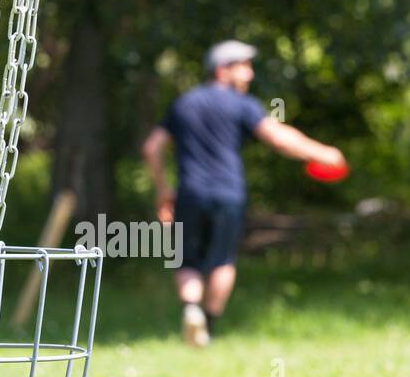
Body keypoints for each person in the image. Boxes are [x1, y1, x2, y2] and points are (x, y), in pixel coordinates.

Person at [141, 40, 347, 347]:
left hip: (190, 193)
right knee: (223, 261)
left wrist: (162, 191)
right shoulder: (242, 105)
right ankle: (207, 327)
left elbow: (151, 148)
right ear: (223, 69)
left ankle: (191, 311)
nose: (249, 75)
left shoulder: (184, 103)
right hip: (228, 194)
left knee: (186, 261)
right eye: (244, 67)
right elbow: (278, 139)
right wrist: (322, 152)